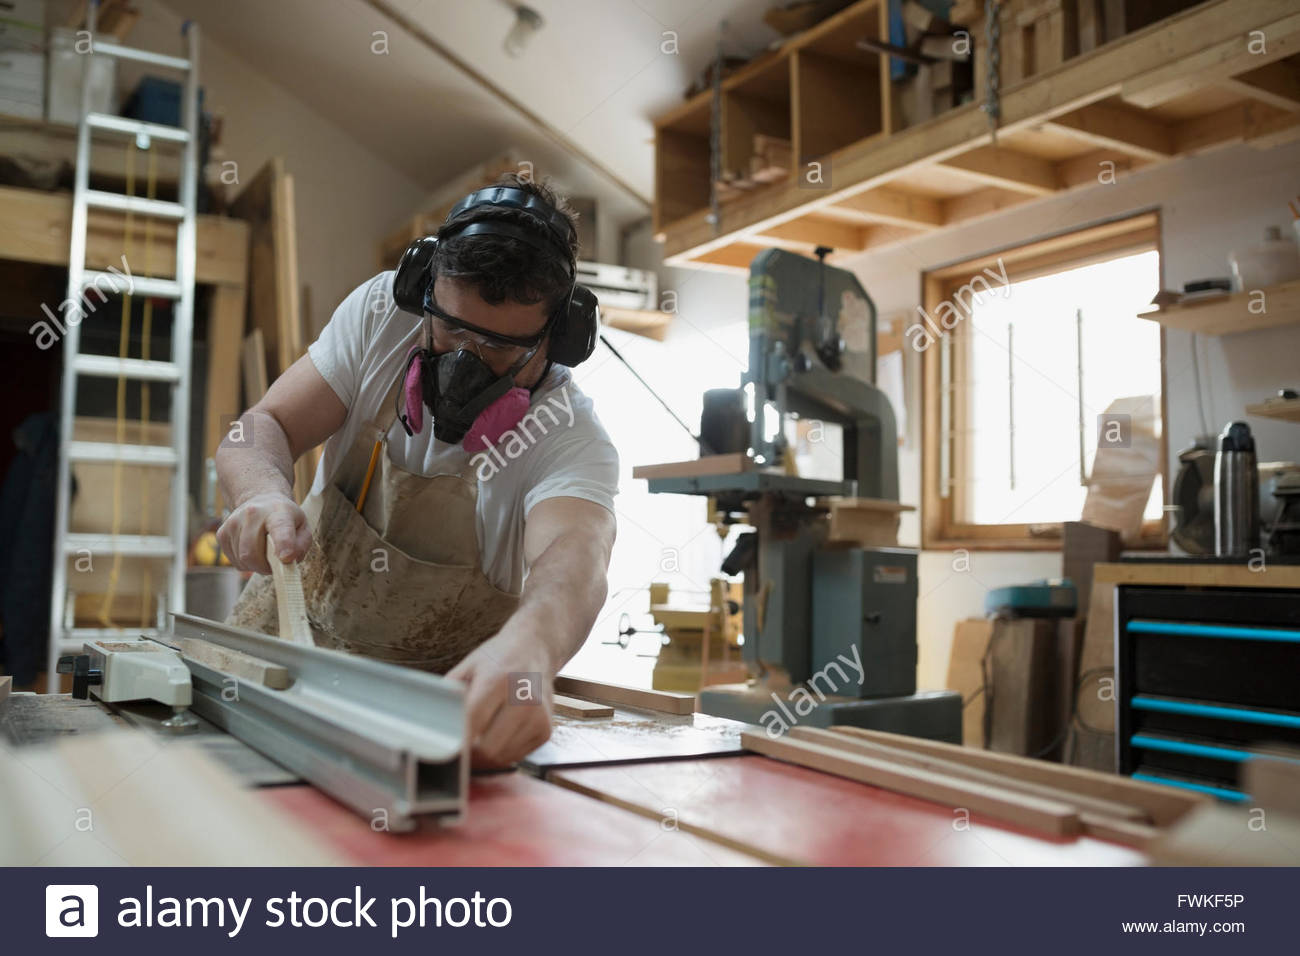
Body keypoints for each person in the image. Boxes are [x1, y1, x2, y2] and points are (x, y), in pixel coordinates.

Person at [215, 174, 618, 766]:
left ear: (559, 338)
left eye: (500, 348)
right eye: (451, 328)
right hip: (276, 662)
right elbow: (263, 424)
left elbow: (576, 556)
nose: (464, 363)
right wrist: (260, 492)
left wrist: (533, 645)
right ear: (422, 288)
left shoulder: (569, 434)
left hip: (425, 724)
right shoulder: (382, 317)